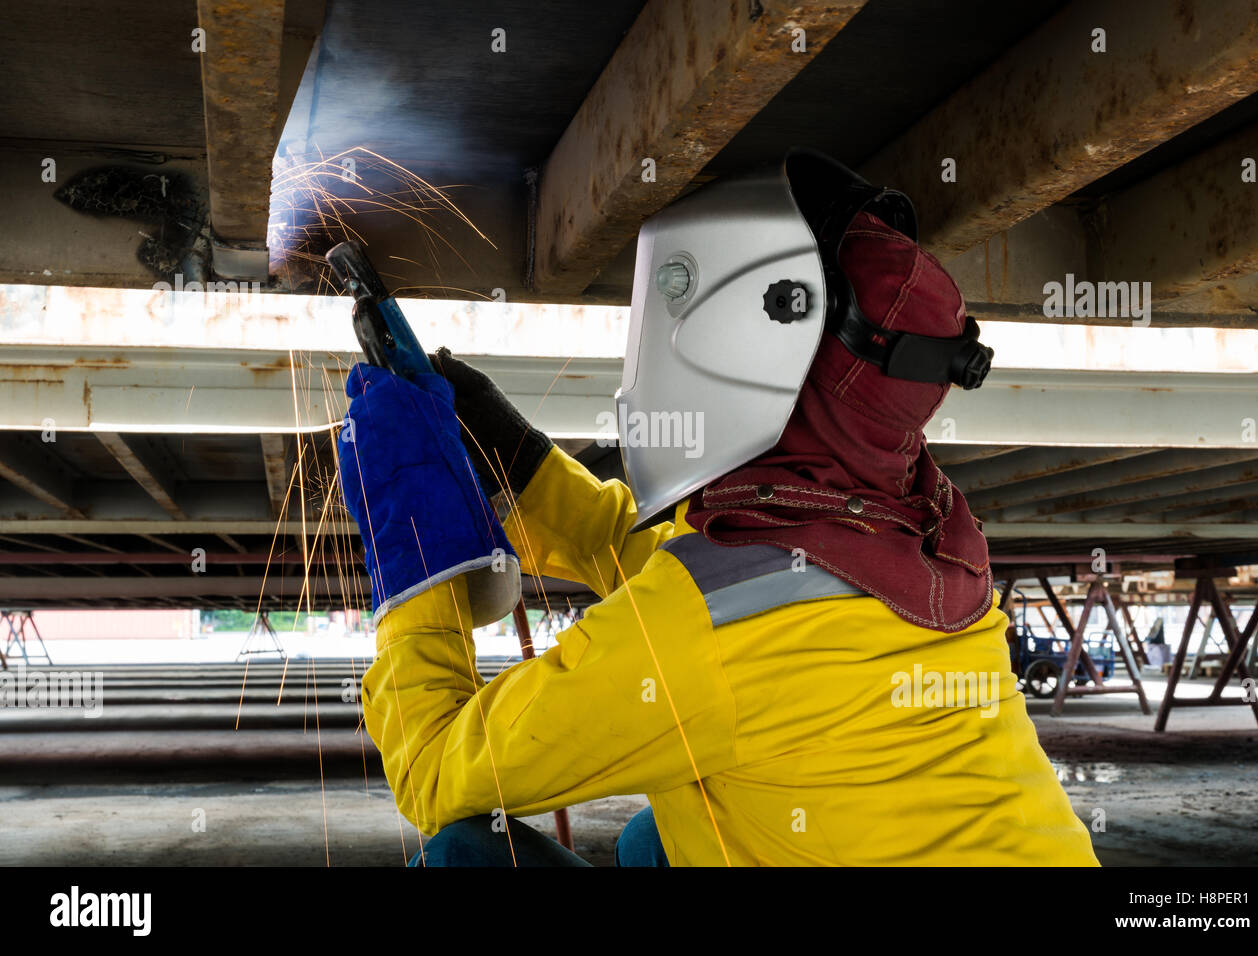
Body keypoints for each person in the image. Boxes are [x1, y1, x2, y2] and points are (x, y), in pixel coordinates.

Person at [339, 149, 1099, 866]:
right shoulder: (910, 521)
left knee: (464, 855)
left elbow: (438, 770)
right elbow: (709, 587)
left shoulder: (709, 630)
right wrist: (524, 465)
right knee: (658, 841)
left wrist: (415, 549)